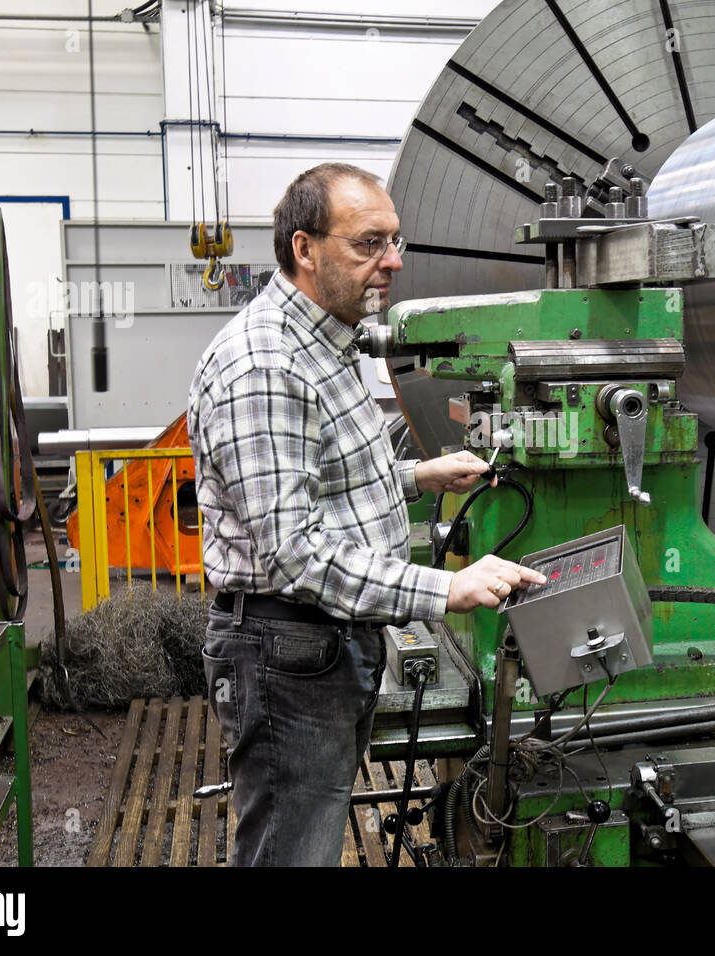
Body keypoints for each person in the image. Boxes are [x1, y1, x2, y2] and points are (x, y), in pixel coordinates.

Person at [188, 163, 546, 866]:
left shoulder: (329, 342)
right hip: (288, 654)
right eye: (369, 243)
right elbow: (295, 552)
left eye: (396, 241)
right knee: (292, 853)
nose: (393, 262)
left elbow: (323, 478)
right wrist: (446, 589)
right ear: (303, 249)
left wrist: (417, 474)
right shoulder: (266, 364)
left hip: (327, 645)